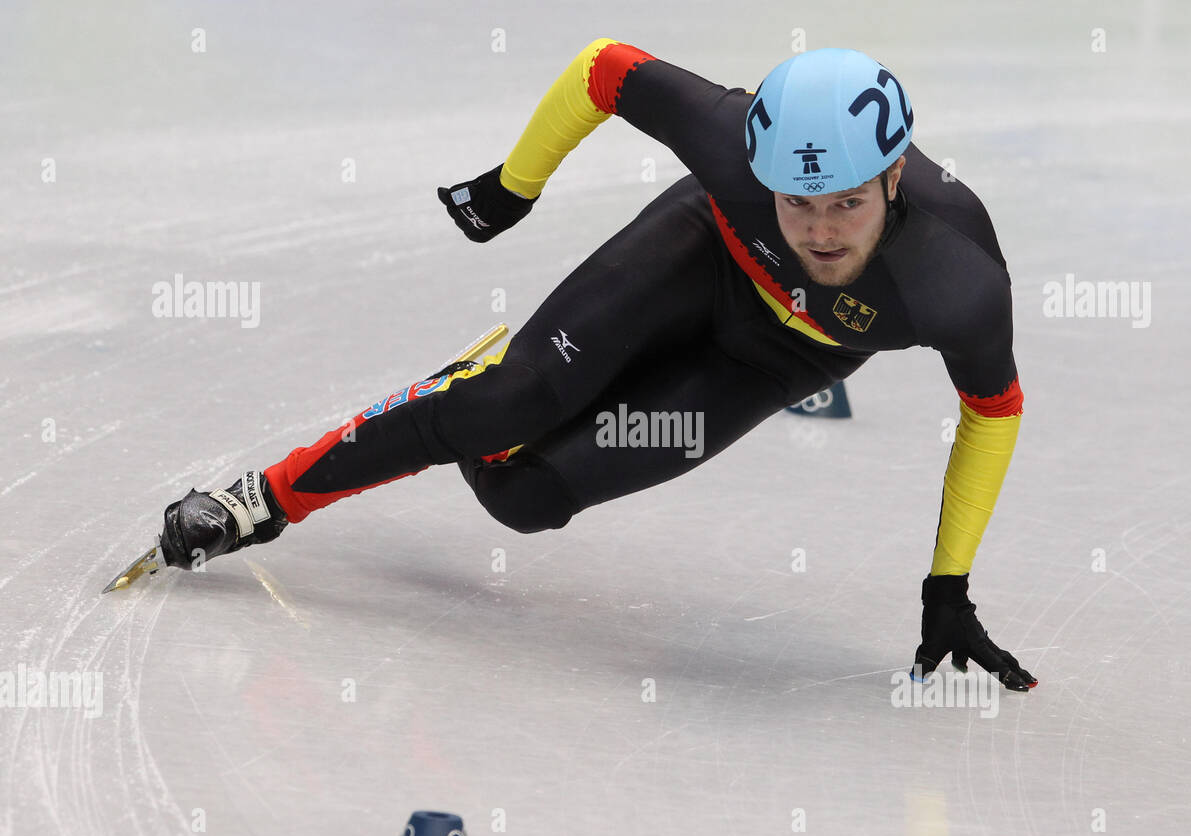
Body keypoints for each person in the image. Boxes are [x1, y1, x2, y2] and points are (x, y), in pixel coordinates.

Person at [144, 41, 1036, 691]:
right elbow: (604, 69)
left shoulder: (957, 280)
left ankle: (461, 399)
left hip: (776, 359)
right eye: (798, 202)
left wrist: (947, 585)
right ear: (759, 172)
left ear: (892, 180)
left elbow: (993, 414)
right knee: (514, 402)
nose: (822, 231)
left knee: (523, 498)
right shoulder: (726, 141)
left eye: (847, 203)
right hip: (699, 254)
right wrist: (511, 185)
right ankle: (263, 499)